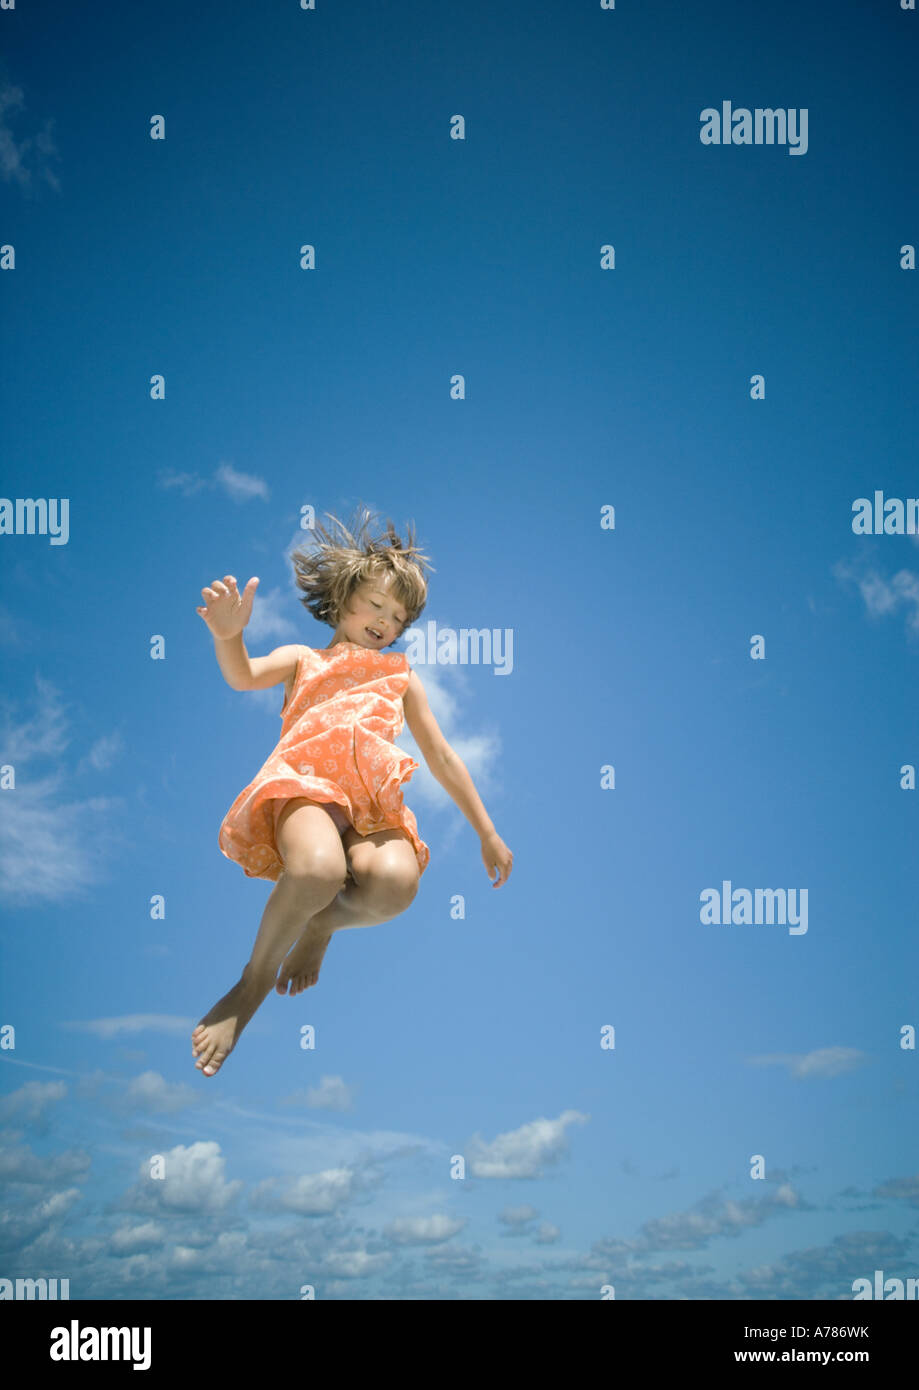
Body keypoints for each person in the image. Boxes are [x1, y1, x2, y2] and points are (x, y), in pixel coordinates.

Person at [191, 508, 513, 1077]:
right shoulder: (304, 659)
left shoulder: (399, 677)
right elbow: (242, 675)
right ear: (341, 599)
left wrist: (486, 832)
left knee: (397, 883)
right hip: (307, 788)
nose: (386, 622)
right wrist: (229, 635)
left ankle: (321, 925)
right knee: (316, 869)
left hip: (368, 805)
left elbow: (441, 755)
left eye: (398, 617)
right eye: (376, 604)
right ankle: (253, 982)